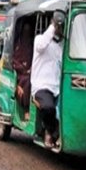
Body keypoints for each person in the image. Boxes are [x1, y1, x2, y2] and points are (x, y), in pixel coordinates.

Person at [31, 11, 65, 148]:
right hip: (42, 86)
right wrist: (53, 26)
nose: (59, 29)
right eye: (58, 26)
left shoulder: (63, 46)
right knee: (48, 108)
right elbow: (41, 46)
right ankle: (51, 132)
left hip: (59, 87)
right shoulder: (40, 40)